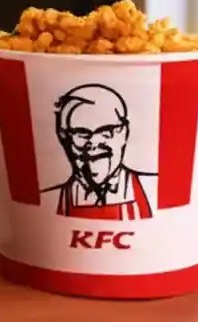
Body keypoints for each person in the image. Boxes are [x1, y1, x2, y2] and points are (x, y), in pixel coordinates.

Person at [43, 84, 155, 220]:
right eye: (82, 134)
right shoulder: (48, 202)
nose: (94, 144)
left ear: (124, 133)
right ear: (64, 138)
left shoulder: (153, 189)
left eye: (106, 132)